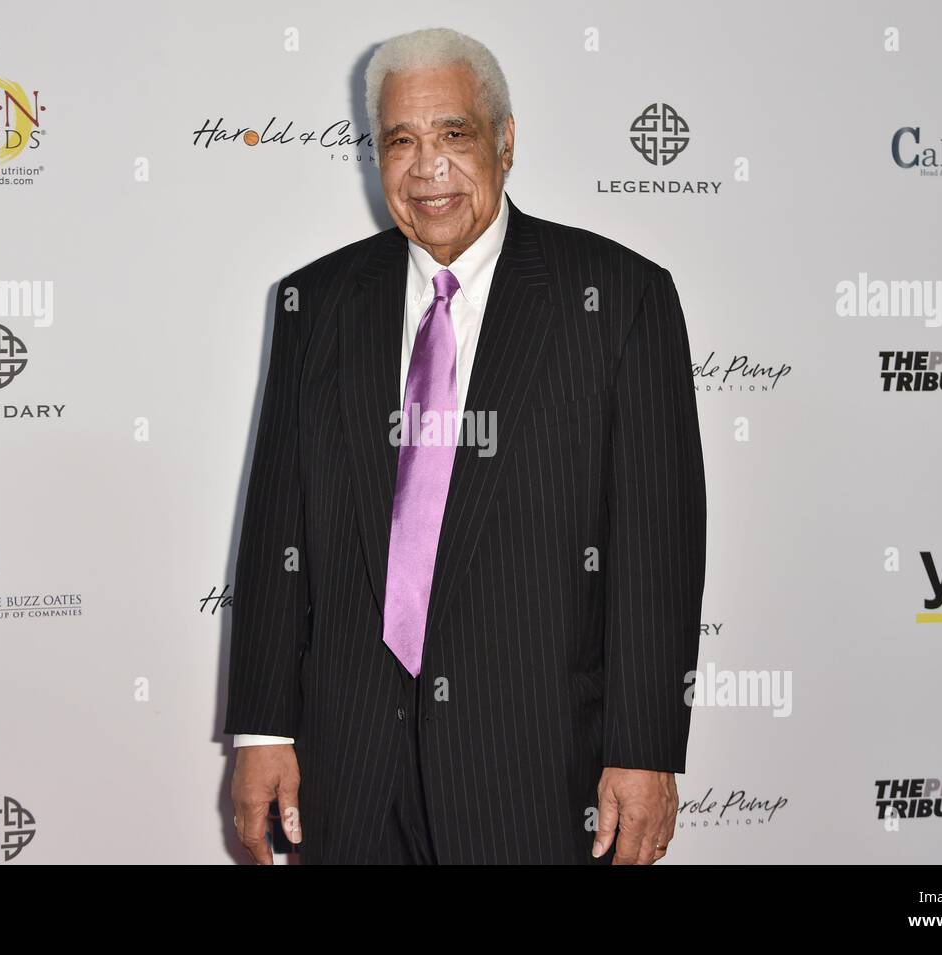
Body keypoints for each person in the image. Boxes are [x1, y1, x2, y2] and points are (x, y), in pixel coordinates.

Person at [225, 26, 706, 864]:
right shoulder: (315, 303)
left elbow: (655, 549)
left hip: (536, 772)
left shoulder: (619, 299)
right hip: (350, 771)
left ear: (506, 141)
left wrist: (647, 747)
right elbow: (278, 533)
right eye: (400, 141)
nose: (427, 167)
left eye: (454, 135)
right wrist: (263, 728)